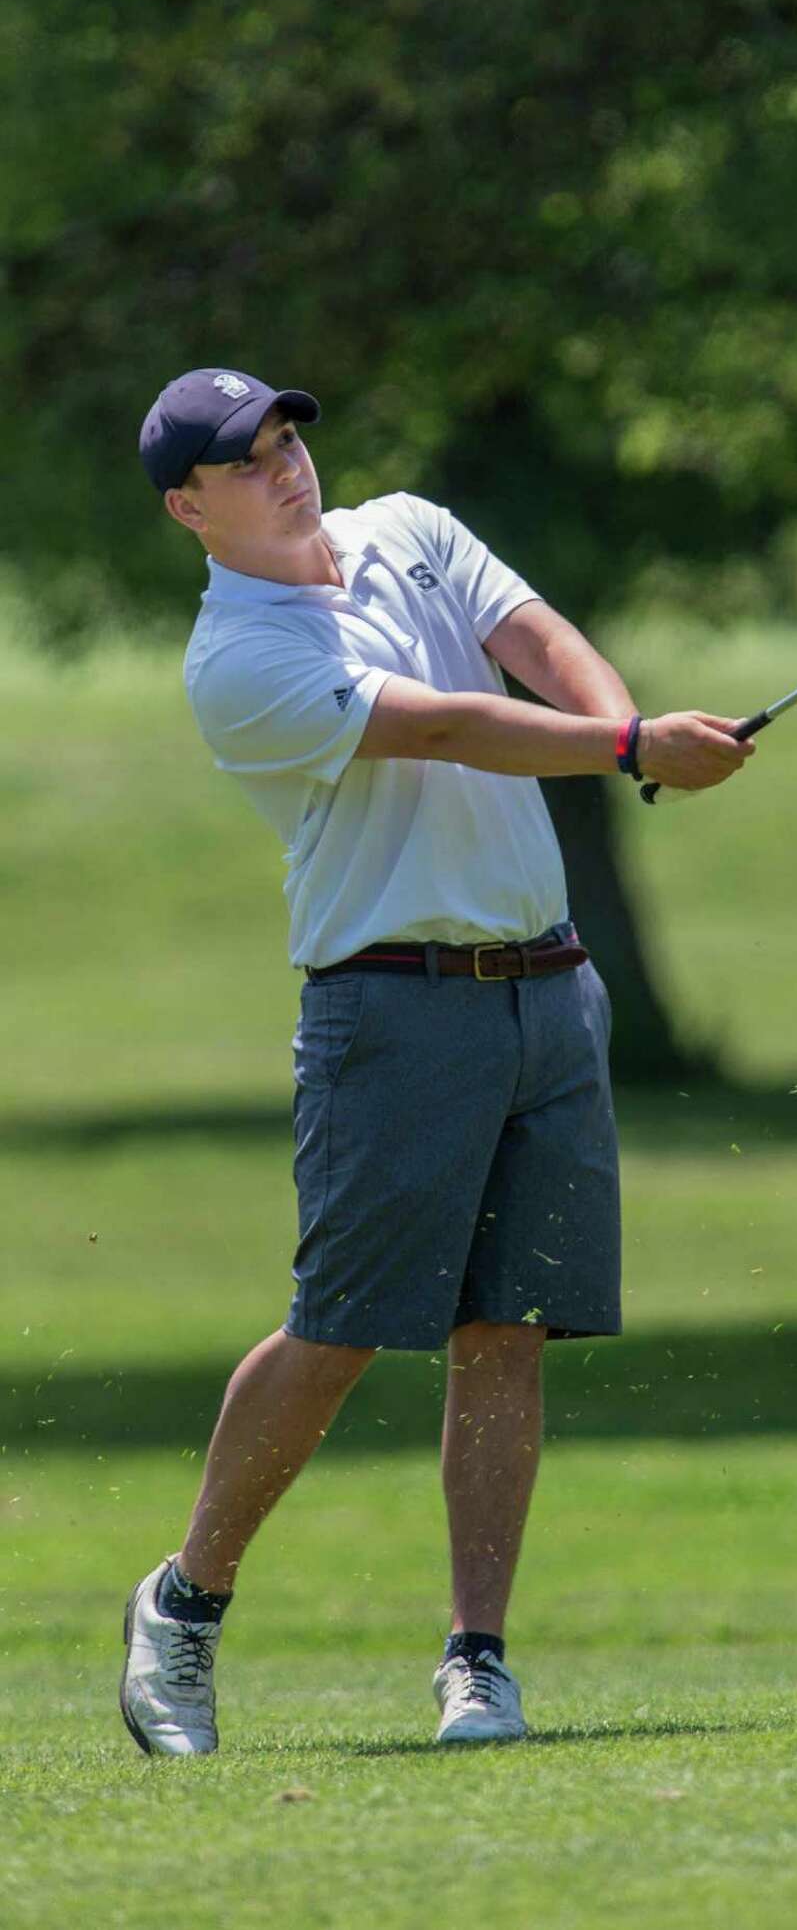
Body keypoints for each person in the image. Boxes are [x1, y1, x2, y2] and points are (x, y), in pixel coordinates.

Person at [120, 368, 753, 1757]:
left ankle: (478, 1661)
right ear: (190, 508)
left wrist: (628, 736)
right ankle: (187, 1602)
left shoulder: (409, 524)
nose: (287, 466)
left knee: (506, 1330)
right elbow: (446, 725)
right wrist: (629, 746)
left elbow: (532, 639)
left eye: (289, 439)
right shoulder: (240, 658)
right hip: (392, 1008)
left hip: (549, 987)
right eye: (248, 459)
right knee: (341, 1328)